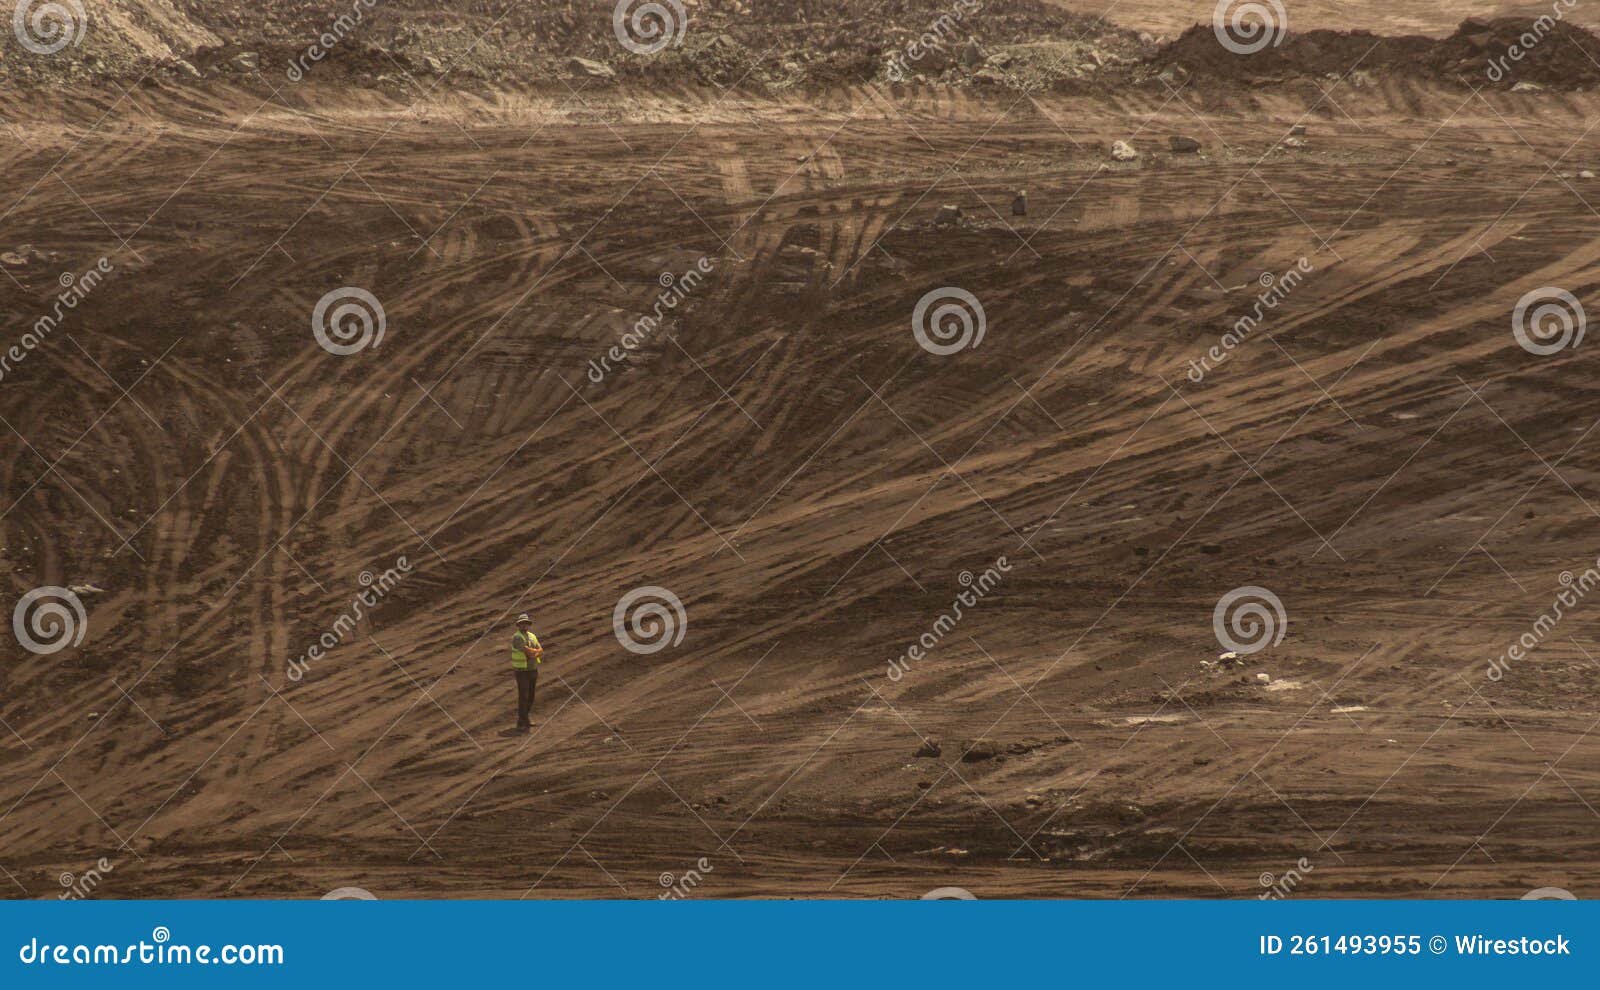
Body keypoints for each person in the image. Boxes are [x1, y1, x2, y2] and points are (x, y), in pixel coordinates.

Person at [510, 613, 544, 732]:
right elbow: (528, 651)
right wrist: (535, 652)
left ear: (528, 625)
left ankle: (525, 718)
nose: (524, 625)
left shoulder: (532, 636)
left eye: (526, 623)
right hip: (521, 671)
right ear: (518, 625)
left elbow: (541, 650)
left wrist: (534, 652)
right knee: (524, 696)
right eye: (522, 623)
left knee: (531, 696)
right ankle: (522, 721)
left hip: (532, 669)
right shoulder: (517, 637)